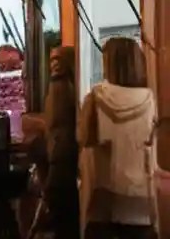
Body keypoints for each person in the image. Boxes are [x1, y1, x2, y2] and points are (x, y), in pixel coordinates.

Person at [79, 37, 156, 239]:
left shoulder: (95, 98)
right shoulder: (150, 100)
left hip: (103, 197)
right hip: (141, 198)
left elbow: (83, 137)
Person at [44, 46, 79, 239]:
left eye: (58, 60)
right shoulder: (69, 86)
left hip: (61, 153)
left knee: (58, 201)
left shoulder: (59, 86)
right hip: (64, 151)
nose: (54, 65)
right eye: (52, 61)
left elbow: (55, 122)